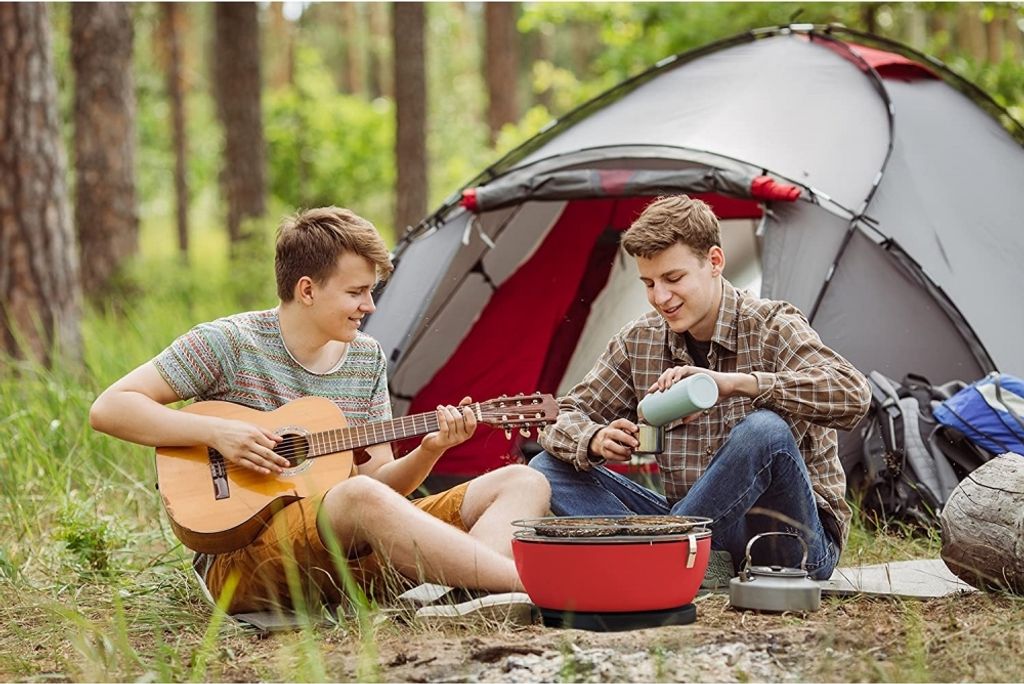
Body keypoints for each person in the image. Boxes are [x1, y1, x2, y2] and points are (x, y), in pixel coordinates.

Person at [90, 206, 551, 614]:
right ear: (307, 290)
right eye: (356, 292)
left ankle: (471, 595)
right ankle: (525, 584)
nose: (369, 306)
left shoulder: (365, 357)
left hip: (348, 554)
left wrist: (431, 450)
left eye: (371, 291)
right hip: (245, 562)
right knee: (358, 497)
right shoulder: (228, 342)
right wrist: (217, 433)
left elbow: (379, 483)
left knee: (522, 480)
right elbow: (110, 407)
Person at [530, 195, 870, 580]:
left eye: (674, 279)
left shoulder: (773, 325)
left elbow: (853, 394)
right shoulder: (639, 341)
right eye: (649, 283)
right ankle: (679, 560)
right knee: (545, 469)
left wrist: (736, 385)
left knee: (764, 431)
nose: (661, 298)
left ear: (715, 262)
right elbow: (562, 416)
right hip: (695, 530)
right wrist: (594, 438)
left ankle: (656, 561)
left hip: (787, 540)